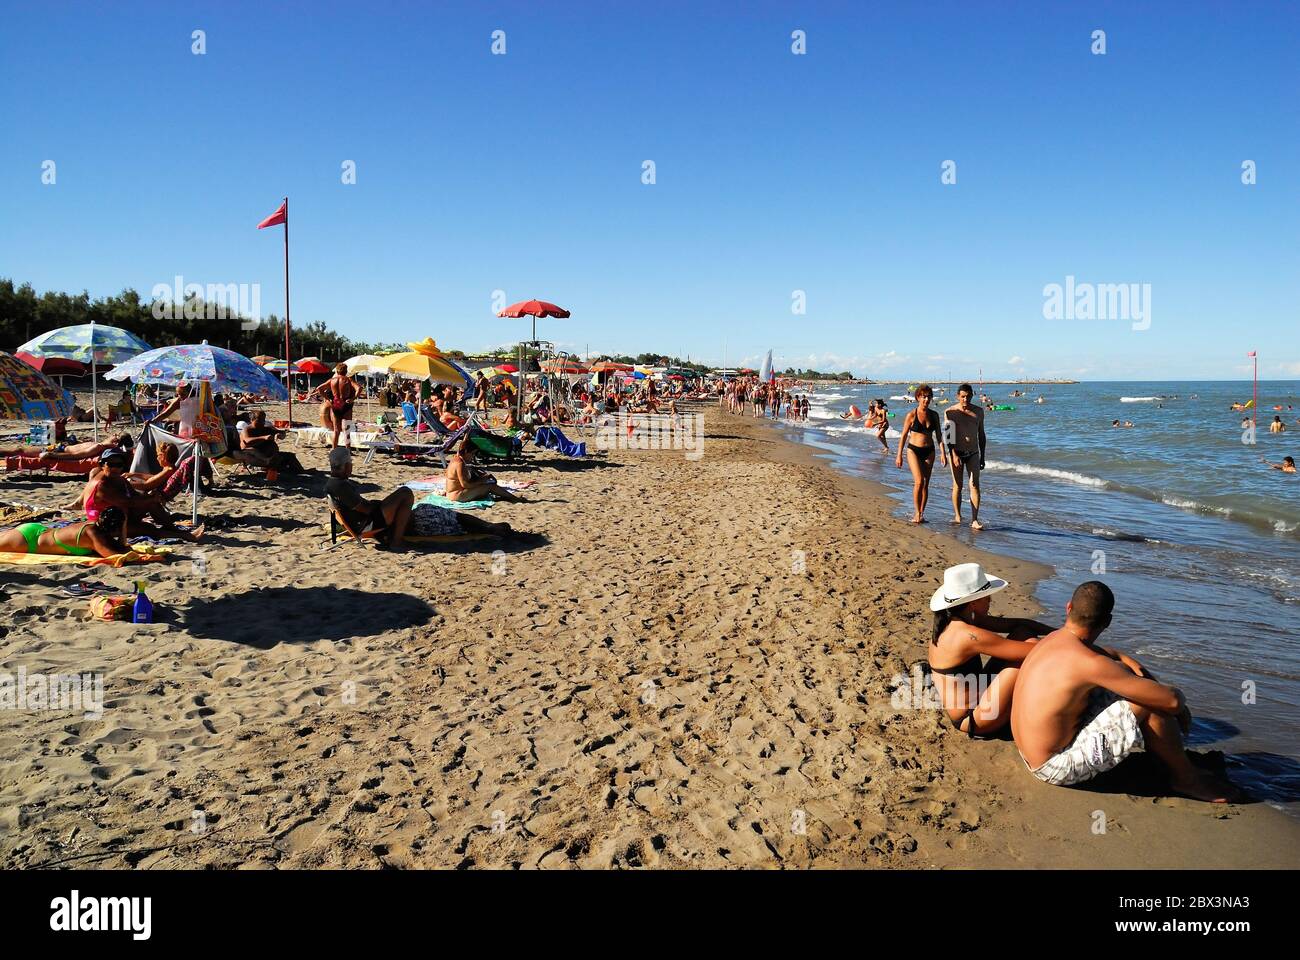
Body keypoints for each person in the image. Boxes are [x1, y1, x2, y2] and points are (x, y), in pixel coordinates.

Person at [1010, 581, 1243, 803]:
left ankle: (1167, 756)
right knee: (1150, 702)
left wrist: (1135, 668)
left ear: (1068, 608)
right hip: (1054, 767)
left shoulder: (1052, 640)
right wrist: (1181, 705)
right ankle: (1186, 779)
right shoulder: (1090, 663)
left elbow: (1107, 657)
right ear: (1108, 621)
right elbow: (1171, 700)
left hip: (1029, 752)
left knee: (1131, 686)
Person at [928, 564, 1053, 736]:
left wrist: (1059, 633)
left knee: (1023, 633)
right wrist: (1072, 642)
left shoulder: (956, 621)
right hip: (973, 719)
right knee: (1025, 660)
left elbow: (1020, 625)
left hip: (979, 693)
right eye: (986, 597)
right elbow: (1032, 651)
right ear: (973, 603)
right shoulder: (967, 635)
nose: (990, 601)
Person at [324, 446, 414, 551]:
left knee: (399, 497)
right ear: (346, 465)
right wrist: (379, 505)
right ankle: (396, 541)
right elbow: (366, 509)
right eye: (351, 462)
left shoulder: (332, 483)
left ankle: (392, 535)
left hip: (357, 523)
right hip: (365, 524)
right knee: (405, 493)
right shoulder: (341, 486)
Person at [895, 383, 947, 523]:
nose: (926, 399)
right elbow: (904, 436)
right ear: (918, 397)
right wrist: (899, 454)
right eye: (924, 397)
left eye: (929, 397)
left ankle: (922, 513)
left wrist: (943, 453)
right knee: (919, 481)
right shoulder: (911, 415)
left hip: (929, 451)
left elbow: (939, 436)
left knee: (926, 484)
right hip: (913, 450)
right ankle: (916, 513)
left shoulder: (934, 415)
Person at [0, 506, 133, 559]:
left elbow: (120, 546)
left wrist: (124, 525)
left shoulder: (95, 526)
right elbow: (114, 556)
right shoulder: (93, 534)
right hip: (28, 541)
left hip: (36, 531)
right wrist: (124, 527)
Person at [944, 383, 987, 530]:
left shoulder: (978, 412)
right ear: (958, 396)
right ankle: (958, 516)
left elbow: (981, 434)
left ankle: (974, 519)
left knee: (974, 485)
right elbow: (948, 437)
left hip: (973, 453)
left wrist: (983, 456)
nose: (965, 399)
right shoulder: (950, 412)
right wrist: (953, 454)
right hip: (956, 453)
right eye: (962, 396)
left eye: (968, 396)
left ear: (972, 396)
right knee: (958, 485)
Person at [445, 436, 527, 503]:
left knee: (487, 485)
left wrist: (483, 477)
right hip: (457, 495)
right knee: (490, 487)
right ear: (466, 452)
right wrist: (481, 481)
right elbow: (465, 485)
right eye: (472, 454)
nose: (473, 456)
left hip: (454, 493)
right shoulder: (460, 464)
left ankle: (509, 497)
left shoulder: (457, 459)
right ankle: (515, 499)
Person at [322, 363, 358, 448]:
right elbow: (359, 388)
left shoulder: (332, 380)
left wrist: (327, 399)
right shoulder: (348, 380)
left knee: (336, 430)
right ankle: (347, 449)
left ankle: (334, 449)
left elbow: (319, 389)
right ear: (346, 371)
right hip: (346, 404)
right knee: (347, 430)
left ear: (337, 371)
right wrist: (353, 398)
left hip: (336, 404)